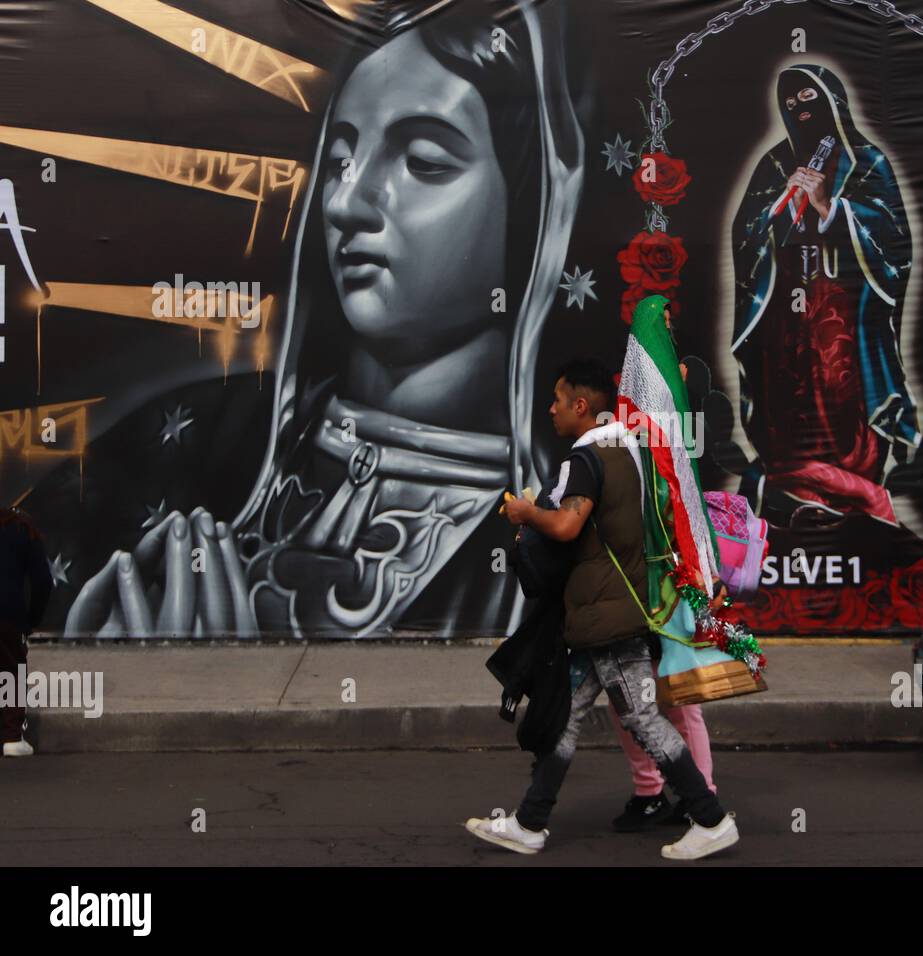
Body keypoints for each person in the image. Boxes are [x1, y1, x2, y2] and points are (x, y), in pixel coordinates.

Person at [63, 1, 584, 639]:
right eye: (338, 160)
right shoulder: (198, 441)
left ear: (531, 213)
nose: (345, 202)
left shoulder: (570, 501)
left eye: (423, 161)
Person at [466, 359, 739, 860]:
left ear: (581, 406)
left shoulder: (585, 459)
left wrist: (526, 513)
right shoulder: (626, 448)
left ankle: (711, 817)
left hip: (605, 616)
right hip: (606, 611)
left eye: (557, 399)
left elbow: (570, 526)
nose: (549, 409)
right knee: (566, 718)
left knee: (643, 720)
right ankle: (529, 823)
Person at [729, 64, 916, 527]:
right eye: (790, 106)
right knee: (786, 396)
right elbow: (745, 233)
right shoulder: (776, 163)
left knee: (840, 390)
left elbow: (893, 239)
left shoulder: (867, 161)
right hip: (784, 308)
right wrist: (779, 207)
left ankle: (854, 490)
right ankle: (795, 484)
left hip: (845, 308)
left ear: (832, 103)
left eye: (808, 100)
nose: (799, 111)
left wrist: (830, 207)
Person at [607, 301, 717, 832]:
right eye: (661, 330)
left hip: (668, 582)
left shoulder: (675, 421)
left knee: (680, 696)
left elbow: (679, 503)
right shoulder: (626, 433)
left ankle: (703, 798)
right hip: (634, 583)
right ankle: (650, 791)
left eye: (669, 331)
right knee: (627, 696)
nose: (667, 340)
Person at [0, 507, 53, 757]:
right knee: (11, 671)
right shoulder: (23, 526)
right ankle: (11, 738)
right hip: (9, 615)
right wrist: (31, 620)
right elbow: (42, 580)